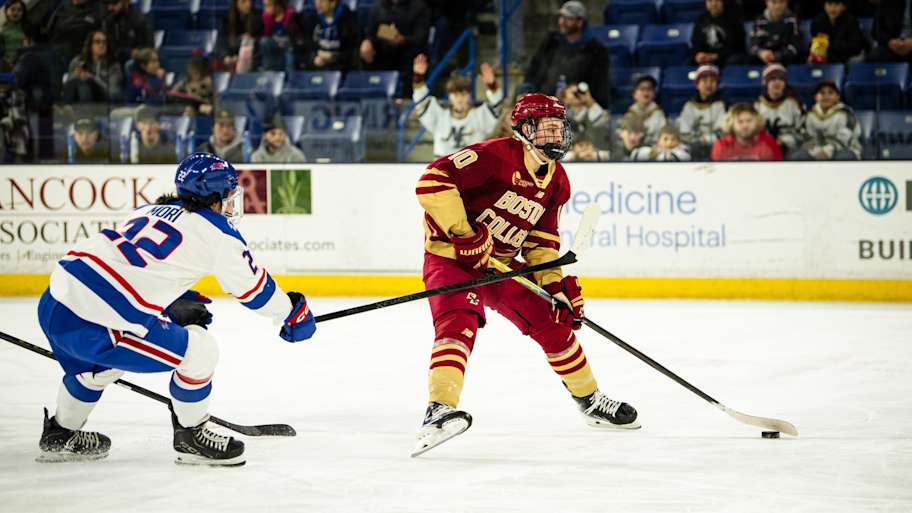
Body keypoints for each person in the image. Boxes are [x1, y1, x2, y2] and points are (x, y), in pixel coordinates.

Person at [35, 153, 317, 465]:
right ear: (215, 197)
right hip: (99, 324)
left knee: (99, 368)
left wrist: (170, 297)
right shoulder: (219, 234)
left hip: (55, 303)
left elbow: (134, 263)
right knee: (200, 353)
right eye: (227, 195)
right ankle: (191, 436)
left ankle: (61, 434)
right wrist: (291, 312)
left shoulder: (149, 209)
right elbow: (256, 292)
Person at [412, 93, 639, 457]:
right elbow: (432, 181)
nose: (555, 136)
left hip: (500, 264)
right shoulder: (492, 156)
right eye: (546, 128)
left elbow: (541, 243)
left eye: (558, 128)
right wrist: (465, 234)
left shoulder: (557, 181)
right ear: (523, 130)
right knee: (458, 324)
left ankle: (590, 400)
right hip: (452, 258)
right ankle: (439, 409)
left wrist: (555, 286)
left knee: (554, 322)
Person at [521, 1, 611, 107]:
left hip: (574, 107)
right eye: (561, 17)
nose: (561, 22)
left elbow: (599, 89)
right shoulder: (551, 42)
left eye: (568, 19)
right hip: (543, 104)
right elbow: (533, 70)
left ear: (580, 22)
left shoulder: (596, 51)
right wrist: (527, 90)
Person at [412, 55, 504, 157]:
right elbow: (421, 102)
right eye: (455, 94)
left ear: (469, 95)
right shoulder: (439, 115)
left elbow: (497, 106)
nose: (460, 99)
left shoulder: (479, 116)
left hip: (472, 170)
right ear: (449, 96)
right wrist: (418, 78)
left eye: (463, 94)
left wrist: (492, 86)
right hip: (443, 170)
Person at [359, 0, 431, 97]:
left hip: (408, 60)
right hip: (382, 59)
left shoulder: (419, 8)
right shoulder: (377, 8)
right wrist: (367, 42)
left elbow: (421, 39)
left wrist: (403, 40)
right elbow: (370, 34)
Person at [792, 80, 861, 160]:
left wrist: (827, 151)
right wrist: (816, 151)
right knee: (798, 156)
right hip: (815, 151)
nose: (826, 96)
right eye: (822, 93)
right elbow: (804, 136)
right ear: (816, 97)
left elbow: (845, 138)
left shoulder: (847, 114)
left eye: (830, 92)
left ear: (837, 97)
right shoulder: (809, 115)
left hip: (843, 149)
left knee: (843, 157)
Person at [753, 63, 803, 156]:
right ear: (766, 83)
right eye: (772, 79)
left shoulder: (794, 105)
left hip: (789, 148)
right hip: (762, 147)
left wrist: (784, 141)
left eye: (781, 79)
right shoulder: (756, 106)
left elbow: (801, 132)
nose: (777, 82)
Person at [677, 65, 726, 159]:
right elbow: (684, 130)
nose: (708, 84)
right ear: (697, 84)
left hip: (715, 146)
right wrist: (696, 141)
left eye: (712, 81)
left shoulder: (722, 105)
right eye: (704, 81)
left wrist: (705, 140)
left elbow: (722, 132)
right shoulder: (689, 105)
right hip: (690, 146)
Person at [298, 0, 360, 72]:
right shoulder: (312, 18)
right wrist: (314, 57)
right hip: (318, 65)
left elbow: (353, 49)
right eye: (316, 0)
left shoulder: (348, 19)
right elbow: (308, 44)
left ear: (333, 3)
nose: (317, 3)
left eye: (322, 1)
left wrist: (334, 57)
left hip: (342, 68)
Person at [63, 30, 124, 103]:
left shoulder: (114, 66)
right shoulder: (77, 61)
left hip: (103, 104)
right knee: (80, 84)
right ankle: (66, 108)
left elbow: (113, 93)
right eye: (97, 42)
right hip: (79, 99)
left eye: (104, 42)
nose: (101, 45)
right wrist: (76, 75)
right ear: (90, 45)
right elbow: (68, 85)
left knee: (86, 85)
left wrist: (93, 79)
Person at [710, 102, 783, 160]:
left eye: (749, 121)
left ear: (757, 122)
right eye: (740, 121)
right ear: (731, 124)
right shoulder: (721, 147)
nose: (745, 125)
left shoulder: (770, 145)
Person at [690, 0, 748, 66]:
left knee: (734, 60)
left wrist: (716, 56)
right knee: (691, 61)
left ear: (723, 2)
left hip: (726, 57)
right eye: (710, 1)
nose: (714, 4)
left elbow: (737, 46)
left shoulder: (733, 19)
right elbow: (696, 42)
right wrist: (698, 54)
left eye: (717, 1)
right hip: (706, 56)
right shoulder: (700, 20)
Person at [214, 0, 264, 72]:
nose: (248, 4)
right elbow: (220, 42)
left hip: (250, 59)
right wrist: (226, 56)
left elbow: (259, 42)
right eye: (243, 1)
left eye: (250, 1)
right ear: (236, 3)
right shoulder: (227, 20)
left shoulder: (257, 18)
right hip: (231, 56)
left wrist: (250, 39)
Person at [101, 0, 153, 67]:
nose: (110, 7)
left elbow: (149, 47)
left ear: (125, 2)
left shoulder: (140, 20)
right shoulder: (107, 21)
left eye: (114, 3)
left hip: (136, 63)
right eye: (107, 3)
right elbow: (110, 47)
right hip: (113, 64)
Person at [749, 0, 801, 65]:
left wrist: (777, 56)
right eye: (774, 2)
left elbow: (795, 47)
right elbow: (753, 46)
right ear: (767, 2)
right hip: (762, 61)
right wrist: (761, 53)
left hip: (785, 60)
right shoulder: (759, 21)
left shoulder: (793, 20)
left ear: (787, 2)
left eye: (781, 2)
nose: (778, 6)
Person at [625, 75, 666, 145]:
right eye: (642, 89)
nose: (646, 92)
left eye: (649, 89)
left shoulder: (658, 114)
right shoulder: (630, 114)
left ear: (654, 94)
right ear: (634, 94)